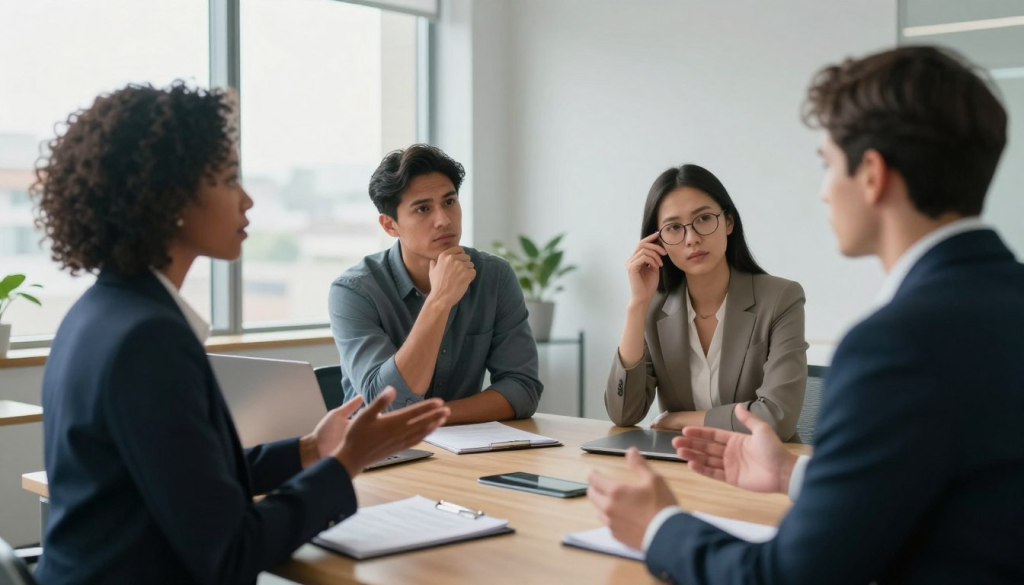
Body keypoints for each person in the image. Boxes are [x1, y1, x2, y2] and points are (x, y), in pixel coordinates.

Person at [588, 46, 1024, 583]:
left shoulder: (892, 344)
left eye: (827, 164)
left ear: (871, 174)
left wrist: (658, 526)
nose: (822, 192)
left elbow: (787, 576)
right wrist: (797, 472)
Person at [31, 83, 449, 585]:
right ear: (170, 199)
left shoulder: (100, 312)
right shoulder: (148, 340)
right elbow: (231, 550)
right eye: (229, 180)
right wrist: (348, 462)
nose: (248, 200)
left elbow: (188, 481)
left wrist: (311, 450)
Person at [328, 144, 543, 424]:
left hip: (460, 449)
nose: (443, 220)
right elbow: (386, 406)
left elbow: (522, 389)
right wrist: (439, 301)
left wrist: (432, 419)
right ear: (390, 226)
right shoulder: (353, 291)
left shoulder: (494, 277)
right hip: (375, 457)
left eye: (449, 202)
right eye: (423, 209)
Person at [605, 164, 807, 439]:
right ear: (659, 241)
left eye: (703, 219)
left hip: (763, 467)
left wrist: (682, 420)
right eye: (674, 227)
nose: (692, 239)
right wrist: (637, 306)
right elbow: (623, 413)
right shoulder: (654, 308)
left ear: (728, 222)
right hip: (685, 467)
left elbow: (776, 419)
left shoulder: (781, 299)